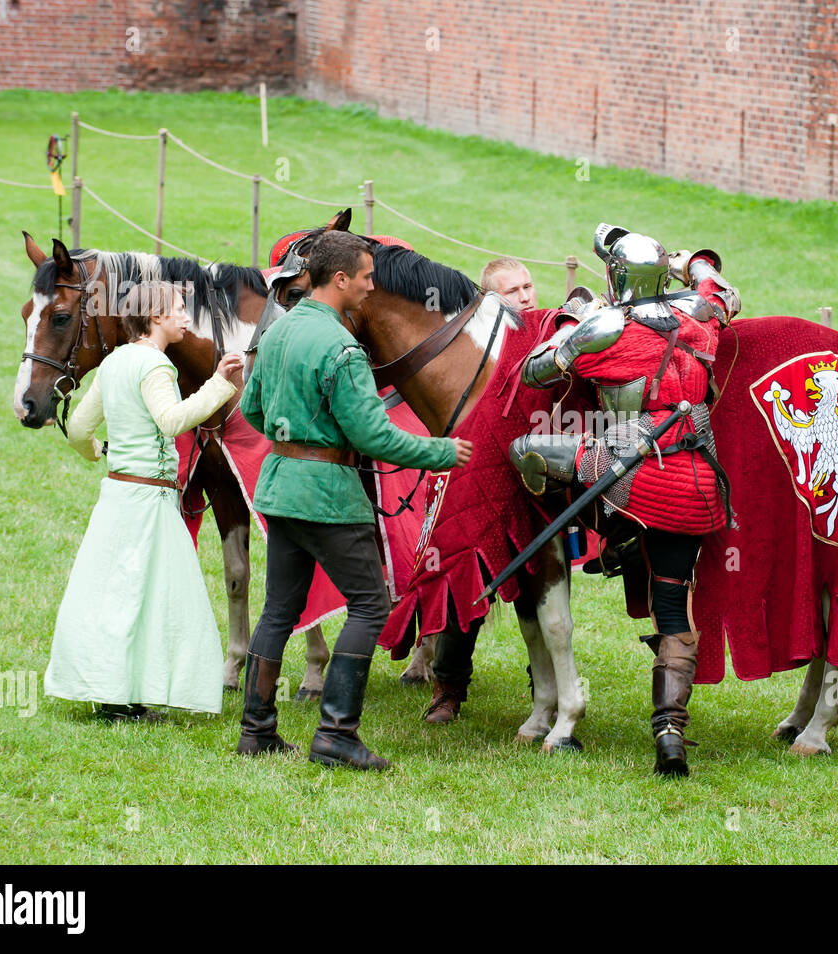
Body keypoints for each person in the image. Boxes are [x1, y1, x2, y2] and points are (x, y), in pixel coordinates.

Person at [237, 230, 473, 771]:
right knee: (371, 605)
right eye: (366, 277)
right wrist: (442, 452)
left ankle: (256, 730)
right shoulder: (343, 348)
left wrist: (296, 437)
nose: (372, 286)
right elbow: (375, 436)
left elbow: (251, 407)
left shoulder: (276, 332)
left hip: (278, 485)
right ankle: (337, 735)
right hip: (326, 496)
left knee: (277, 610)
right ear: (339, 279)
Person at [508, 223, 740, 776]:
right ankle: (669, 734)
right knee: (671, 606)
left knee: (526, 449)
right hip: (698, 483)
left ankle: (613, 541)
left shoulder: (606, 328)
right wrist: (693, 263)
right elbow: (723, 291)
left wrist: (573, 313)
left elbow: (535, 370)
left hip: (628, 476)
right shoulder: (701, 316)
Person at [45, 280, 243, 719]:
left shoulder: (115, 363)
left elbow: (77, 428)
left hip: (116, 494)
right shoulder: (156, 366)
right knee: (148, 596)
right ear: (155, 317)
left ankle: (117, 692)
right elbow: (172, 421)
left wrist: (98, 451)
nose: (187, 317)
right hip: (148, 502)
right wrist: (218, 384)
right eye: (179, 309)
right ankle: (122, 697)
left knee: (115, 593)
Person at [420, 257, 540, 727]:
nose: (526, 296)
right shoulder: (474, 349)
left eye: (529, 286)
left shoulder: (552, 335)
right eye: (513, 291)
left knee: (537, 584)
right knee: (462, 581)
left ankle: (544, 685)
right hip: (479, 477)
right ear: (491, 299)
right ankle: (449, 687)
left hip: (534, 479)